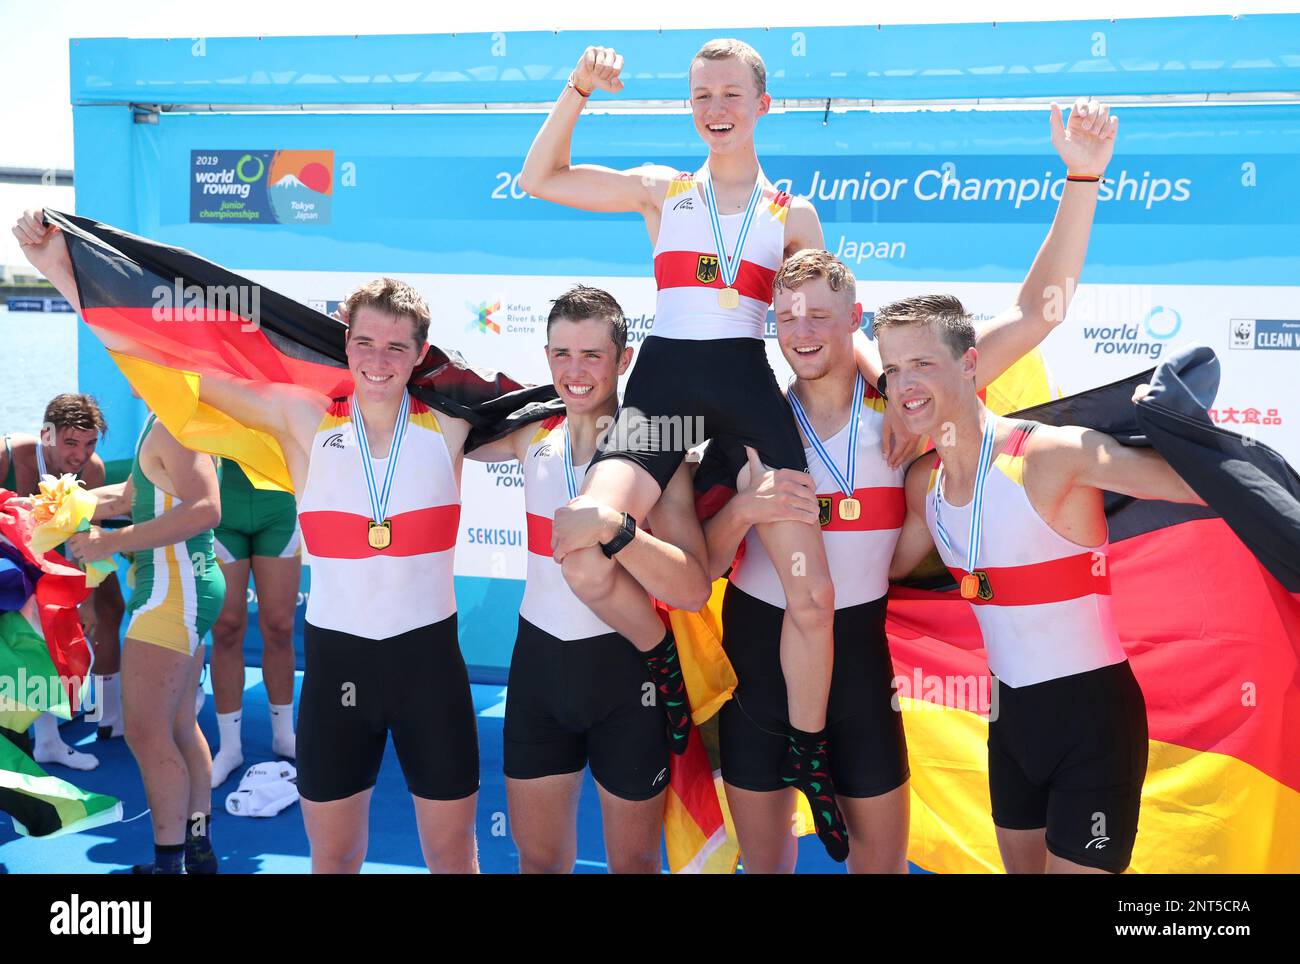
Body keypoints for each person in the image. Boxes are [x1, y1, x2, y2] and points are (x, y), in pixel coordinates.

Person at [701, 99, 1121, 872]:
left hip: (860, 661)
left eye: (820, 318)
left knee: (881, 866)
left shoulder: (903, 407)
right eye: (787, 318)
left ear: (851, 320)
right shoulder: (749, 420)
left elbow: (1037, 314)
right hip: (757, 658)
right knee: (763, 866)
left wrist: (1084, 177)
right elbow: (697, 563)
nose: (801, 332)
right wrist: (745, 514)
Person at [518, 37, 910, 859]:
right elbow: (540, 179)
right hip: (661, 391)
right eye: (701, 97)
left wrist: (891, 393)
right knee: (581, 539)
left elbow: (831, 318)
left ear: (761, 106)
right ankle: (663, 659)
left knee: (812, 598)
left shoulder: (791, 215)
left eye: (730, 94)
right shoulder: (664, 191)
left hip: (743, 397)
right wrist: (578, 90)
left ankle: (808, 751)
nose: (715, 110)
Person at [17, 211, 478, 873]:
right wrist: (62, 270)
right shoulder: (299, 416)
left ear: (422, 354)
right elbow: (170, 361)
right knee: (336, 858)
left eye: (397, 347)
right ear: (344, 344)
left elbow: (566, 416)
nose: (379, 360)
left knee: (454, 859)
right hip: (340, 666)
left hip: (429, 666)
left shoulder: (457, 424)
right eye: (366, 342)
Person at [881, 294, 1203, 874]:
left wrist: (1184, 427)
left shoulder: (1053, 455)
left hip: (1093, 721)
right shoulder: (923, 484)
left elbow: (1202, 487)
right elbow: (882, 576)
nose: (905, 383)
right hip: (1010, 724)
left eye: (922, 363)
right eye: (893, 368)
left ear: (971, 363)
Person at [469, 285, 710, 873]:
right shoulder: (528, 434)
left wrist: (617, 529)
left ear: (623, 360)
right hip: (538, 673)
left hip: (628, 679)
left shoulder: (655, 449)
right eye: (561, 355)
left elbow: (692, 587)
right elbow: (432, 409)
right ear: (546, 356)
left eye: (592, 356)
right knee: (539, 859)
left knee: (632, 864)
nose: (575, 373)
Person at [0, 393, 126, 768]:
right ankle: (46, 737)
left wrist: (85, 600)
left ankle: (108, 715)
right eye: (70, 442)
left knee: (110, 607)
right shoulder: (8, 456)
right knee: (37, 621)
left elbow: (89, 542)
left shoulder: (93, 471)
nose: (79, 455)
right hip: (9, 560)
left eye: (89, 444)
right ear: (46, 435)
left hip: (57, 556)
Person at [209, 460, 301, 787]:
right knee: (226, 628)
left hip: (277, 508)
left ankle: (283, 735)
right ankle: (230, 746)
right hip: (223, 509)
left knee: (280, 627)